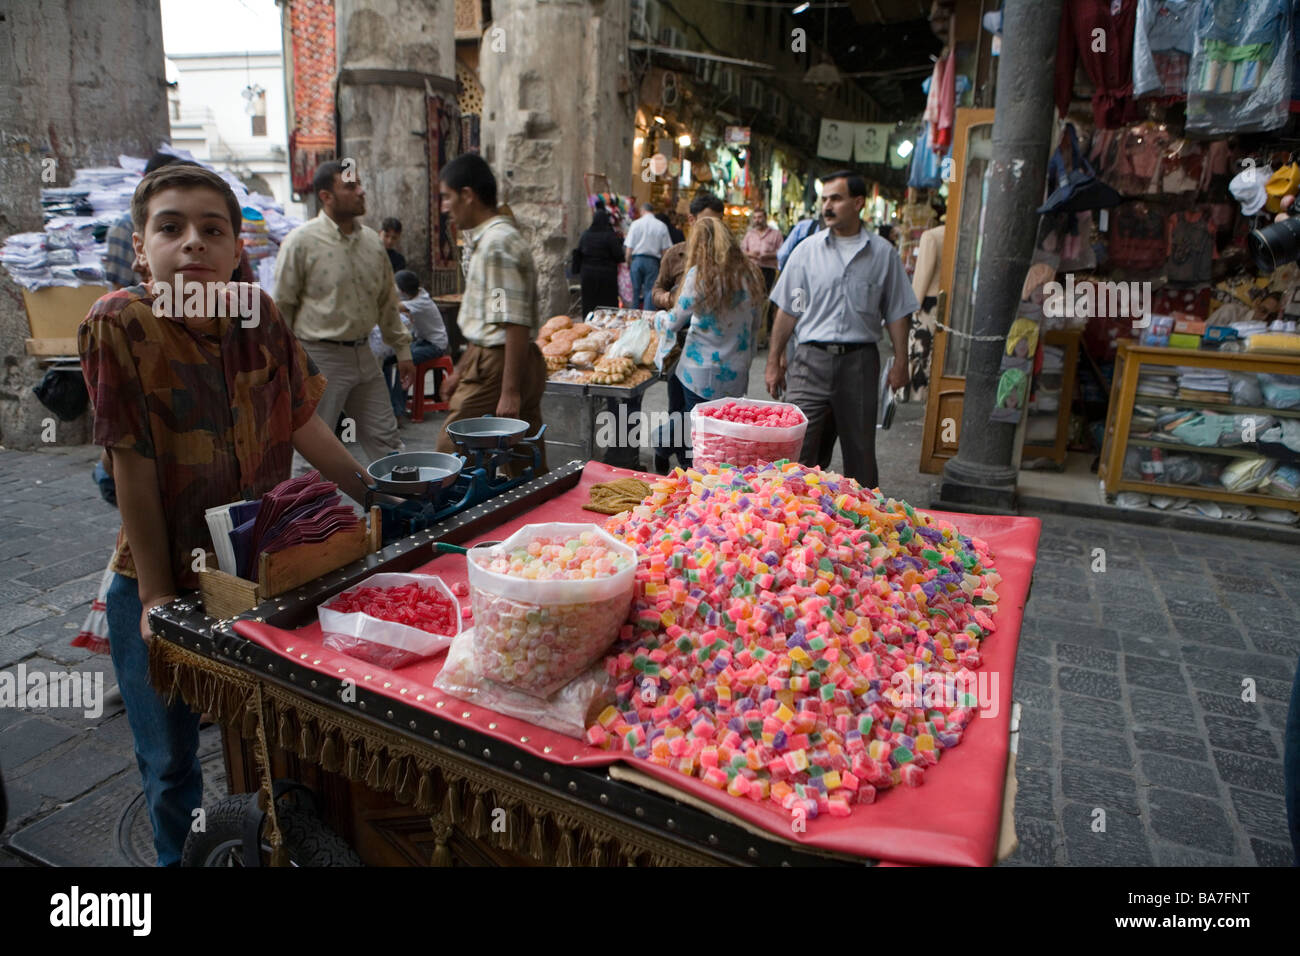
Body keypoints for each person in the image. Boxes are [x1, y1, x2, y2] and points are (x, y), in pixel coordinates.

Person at [78, 163, 372, 866]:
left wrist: (375, 493)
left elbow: (302, 421)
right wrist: (155, 598)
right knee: (170, 761)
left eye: (213, 230)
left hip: (258, 576)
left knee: (268, 741)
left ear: (238, 247)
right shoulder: (119, 323)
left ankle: (266, 847)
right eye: (170, 227)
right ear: (142, 247)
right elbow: (132, 465)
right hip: (162, 573)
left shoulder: (258, 315)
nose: (193, 244)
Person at [765, 170, 917, 490]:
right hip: (809, 362)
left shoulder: (883, 255)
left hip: (859, 364)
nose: (827, 206)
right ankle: (795, 521)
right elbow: (788, 310)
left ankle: (862, 529)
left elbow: (897, 312)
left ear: (858, 203)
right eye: (824, 200)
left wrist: (902, 361)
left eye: (836, 198)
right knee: (798, 448)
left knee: (860, 452)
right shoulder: (807, 251)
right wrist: (773, 360)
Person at [274, 160, 413, 466]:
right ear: (326, 196)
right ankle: (307, 513)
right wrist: (285, 366)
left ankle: (399, 508)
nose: (361, 191)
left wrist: (402, 350)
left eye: (359, 184)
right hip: (320, 358)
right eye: (350, 186)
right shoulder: (301, 242)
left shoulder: (373, 245)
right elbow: (283, 306)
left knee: (386, 439)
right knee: (313, 448)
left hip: (366, 354)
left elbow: (386, 302)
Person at [434, 153, 548, 473]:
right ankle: (531, 513)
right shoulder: (491, 240)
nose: (445, 206)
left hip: (499, 364)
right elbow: (493, 317)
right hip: (499, 358)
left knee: (451, 451)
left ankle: (450, 521)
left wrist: (509, 392)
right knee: (522, 455)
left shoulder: (497, 243)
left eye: (447, 196)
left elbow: (512, 320)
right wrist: (460, 370)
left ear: (468, 195)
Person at [652, 217, 765, 473]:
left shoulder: (700, 276)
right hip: (736, 372)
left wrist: (655, 319)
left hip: (699, 371)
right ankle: (710, 477)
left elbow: (673, 321)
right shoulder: (751, 275)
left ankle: (668, 450)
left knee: (695, 427)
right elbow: (756, 323)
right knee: (721, 430)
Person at [378, 270, 449, 421]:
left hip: (434, 345)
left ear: (402, 291)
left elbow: (394, 307)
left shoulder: (420, 301)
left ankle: (398, 410)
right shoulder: (416, 296)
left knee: (403, 363)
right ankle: (388, 405)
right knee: (385, 360)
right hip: (421, 341)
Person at [652, 193, 723, 312]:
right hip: (678, 325)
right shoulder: (674, 254)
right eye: (709, 222)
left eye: (719, 222)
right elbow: (657, 290)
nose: (715, 228)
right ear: (692, 220)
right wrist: (669, 298)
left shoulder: (727, 256)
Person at [908, 207, 946, 404]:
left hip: (928, 299)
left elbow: (923, 273)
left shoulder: (931, 237)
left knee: (921, 347)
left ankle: (919, 390)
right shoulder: (959, 236)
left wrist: (914, 303)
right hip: (948, 299)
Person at [742, 208, 784, 344]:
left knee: (765, 300)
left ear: (765, 217)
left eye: (760, 217)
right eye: (755, 218)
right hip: (752, 269)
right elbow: (742, 250)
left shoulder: (776, 234)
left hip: (768, 270)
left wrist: (768, 255)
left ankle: (764, 334)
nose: (757, 220)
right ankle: (752, 332)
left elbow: (782, 252)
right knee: (751, 298)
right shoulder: (750, 234)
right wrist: (750, 254)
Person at [576, 206, 625, 314]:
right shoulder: (610, 236)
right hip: (607, 276)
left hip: (588, 275)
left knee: (589, 304)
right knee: (607, 306)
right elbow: (619, 255)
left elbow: (579, 252)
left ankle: (589, 326)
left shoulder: (586, 235)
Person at [624, 201, 672, 310]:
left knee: (634, 291)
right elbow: (666, 251)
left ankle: (633, 316)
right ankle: (646, 319)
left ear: (642, 211)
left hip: (637, 261)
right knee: (650, 291)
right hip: (653, 262)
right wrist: (664, 267)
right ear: (652, 211)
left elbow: (629, 248)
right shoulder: (661, 226)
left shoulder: (635, 224)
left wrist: (628, 262)